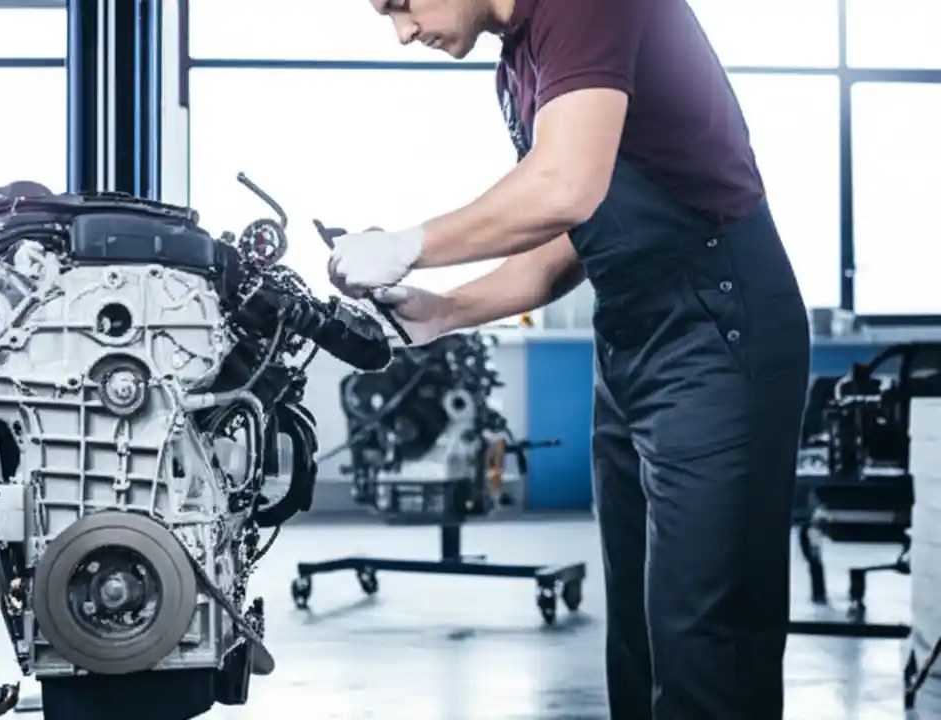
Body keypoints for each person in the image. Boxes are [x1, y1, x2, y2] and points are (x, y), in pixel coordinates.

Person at [329, 1, 812, 719]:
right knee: (639, 638)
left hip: (719, 328)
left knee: (706, 639)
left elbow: (562, 187)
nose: (404, 32)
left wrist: (405, 244)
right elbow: (568, 237)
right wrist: (444, 311)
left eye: (399, 2)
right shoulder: (516, 65)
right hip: (630, 344)